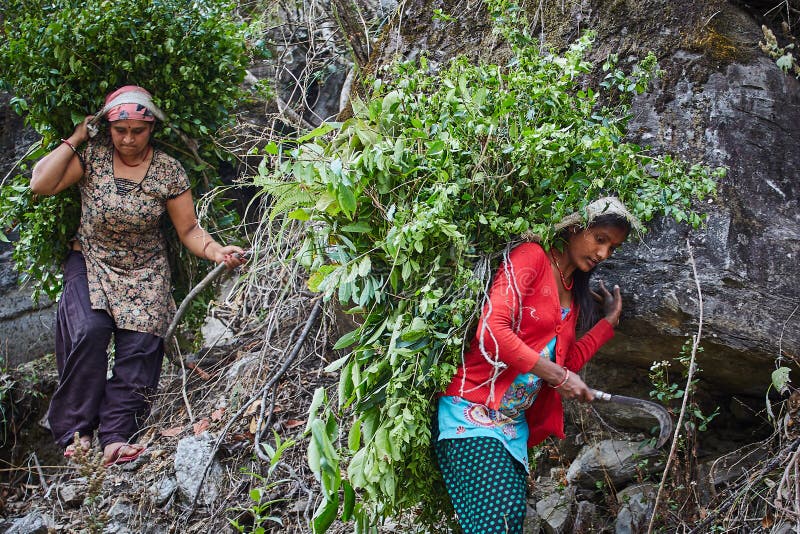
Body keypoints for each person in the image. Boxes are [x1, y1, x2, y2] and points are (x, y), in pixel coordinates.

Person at [31, 85, 245, 466]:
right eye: (120, 130)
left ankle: (116, 437)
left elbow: (189, 229)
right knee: (89, 330)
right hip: (91, 260)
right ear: (108, 128)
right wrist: (78, 137)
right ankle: (78, 432)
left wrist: (217, 251)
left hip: (145, 270)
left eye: (138, 131)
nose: (128, 139)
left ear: (151, 129)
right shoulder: (93, 157)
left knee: (142, 348)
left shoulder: (167, 171)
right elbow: (40, 183)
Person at [435, 197, 639, 533]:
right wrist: (559, 375)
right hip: (471, 413)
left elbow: (565, 363)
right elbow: (491, 332)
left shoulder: (573, 293)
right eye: (600, 239)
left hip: (513, 429)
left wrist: (607, 325)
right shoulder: (531, 256)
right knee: (500, 520)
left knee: (506, 521)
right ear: (574, 228)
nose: (603, 253)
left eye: (612, 248)